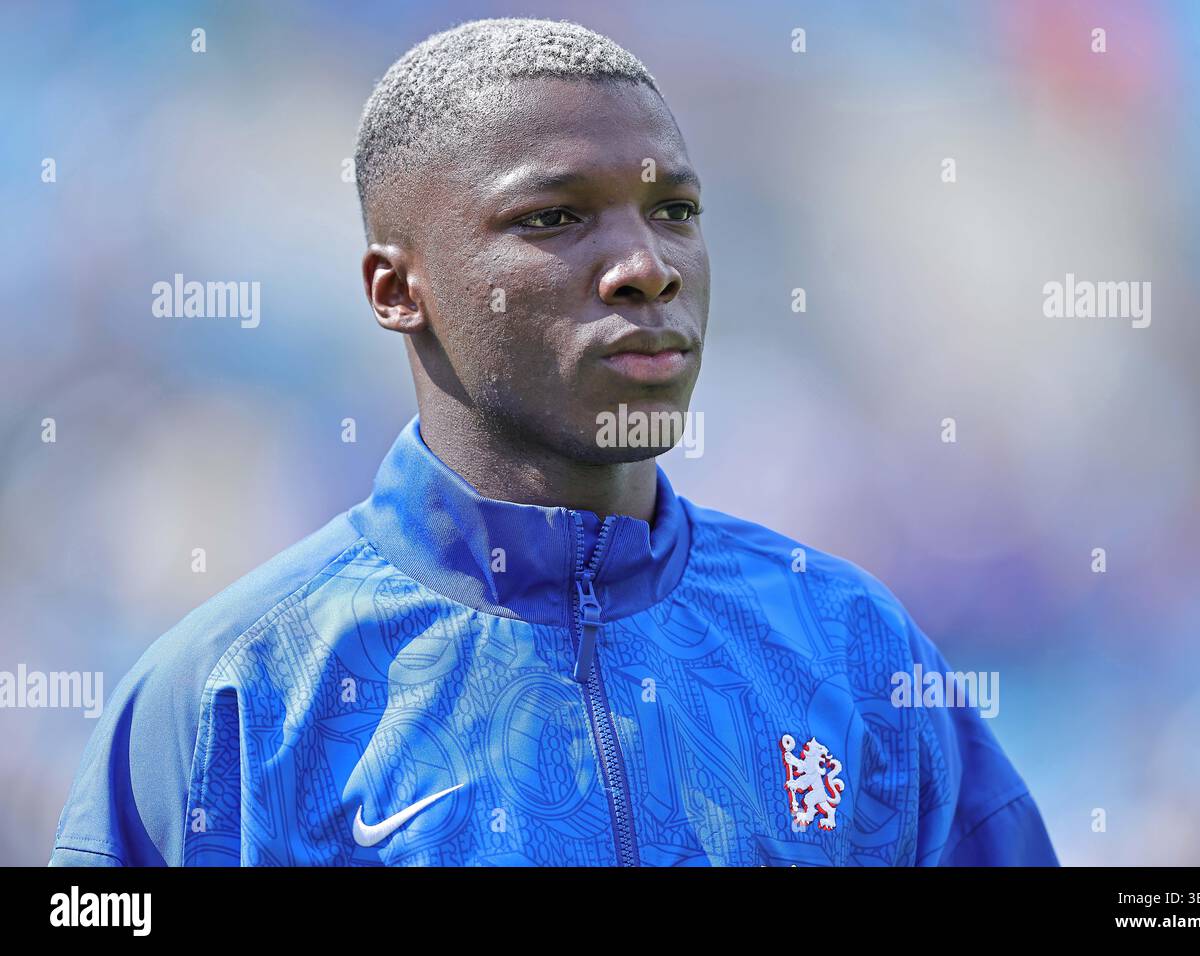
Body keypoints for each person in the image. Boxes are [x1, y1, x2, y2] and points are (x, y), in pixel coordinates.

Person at [50, 17, 1057, 866]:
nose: (645, 266)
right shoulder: (233, 698)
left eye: (674, 211)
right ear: (397, 289)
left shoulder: (849, 645)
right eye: (555, 216)